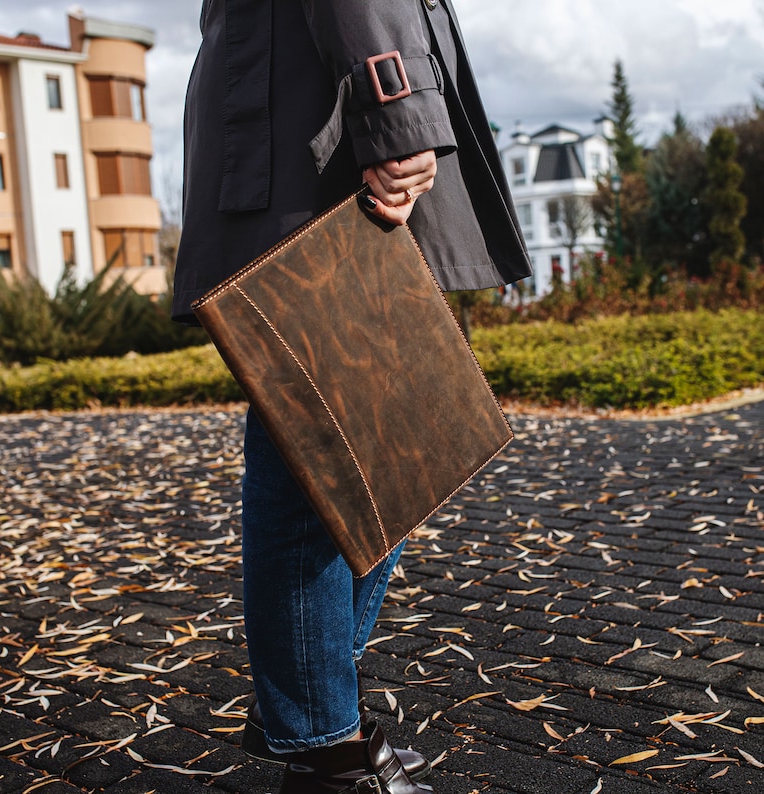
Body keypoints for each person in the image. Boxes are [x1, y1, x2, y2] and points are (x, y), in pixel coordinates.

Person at [173, 2, 531, 791]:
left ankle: (306, 708)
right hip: (322, 131)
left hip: (320, 111)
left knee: (390, 444)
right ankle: (323, 744)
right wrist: (397, 108)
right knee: (321, 455)